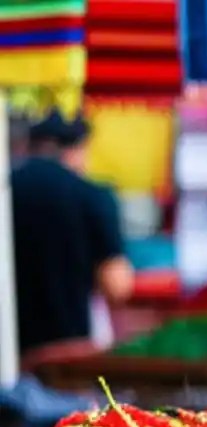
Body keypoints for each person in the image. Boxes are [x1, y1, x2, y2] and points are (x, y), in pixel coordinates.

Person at [11, 111, 134, 370]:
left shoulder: (7, 189)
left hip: (9, 352)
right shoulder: (92, 195)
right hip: (70, 356)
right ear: (77, 148)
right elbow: (116, 285)